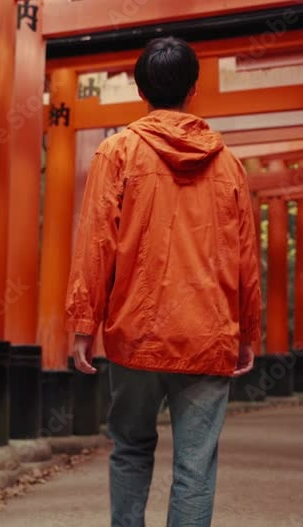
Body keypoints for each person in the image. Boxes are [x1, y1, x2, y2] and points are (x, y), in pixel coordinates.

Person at [65, 36, 263, 527]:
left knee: (131, 449)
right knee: (196, 467)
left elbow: (96, 244)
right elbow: (246, 261)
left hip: (137, 335)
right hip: (208, 335)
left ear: (140, 90)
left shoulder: (117, 153)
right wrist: (246, 333)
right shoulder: (229, 165)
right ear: (193, 90)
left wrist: (83, 325)